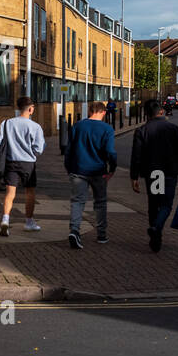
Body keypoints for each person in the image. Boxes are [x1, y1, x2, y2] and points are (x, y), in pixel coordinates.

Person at [130, 104, 178, 252]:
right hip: (169, 173)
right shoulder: (173, 129)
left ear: (147, 114)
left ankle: (155, 236)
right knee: (166, 205)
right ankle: (156, 228)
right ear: (161, 111)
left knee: (154, 204)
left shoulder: (142, 130)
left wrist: (134, 177)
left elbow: (136, 156)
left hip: (153, 173)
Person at [65, 100, 117, 249]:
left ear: (89, 111)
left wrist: (68, 168)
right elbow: (110, 152)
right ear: (104, 112)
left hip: (78, 170)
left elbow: (69, 149)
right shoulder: (107, 129)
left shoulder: (78, 126)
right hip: (98, 171)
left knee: (77, 201)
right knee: (100, 202)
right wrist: (112, 168)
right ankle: (101, 235)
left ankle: (74, 230)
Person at [0, 96, 46, 237]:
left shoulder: (6, 124)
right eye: (33, 107)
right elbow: (39, 149)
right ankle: (29, 222)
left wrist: (5, 153)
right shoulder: (35, 127)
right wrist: (30, 152)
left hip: (11, 162)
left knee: (10, 193)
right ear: (30, 109)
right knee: (29, 193)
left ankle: (5, 220)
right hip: (28, 163)